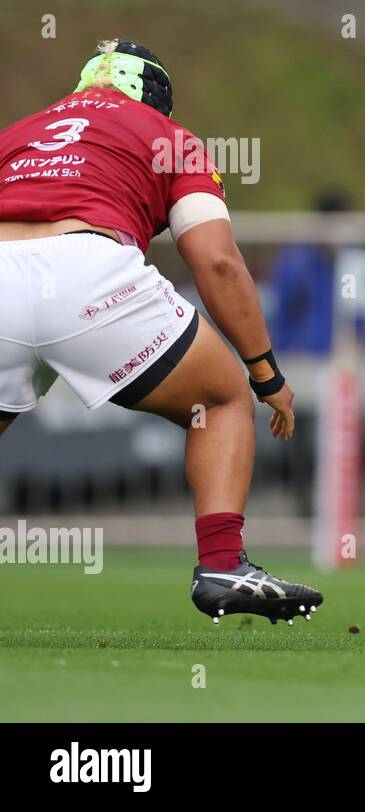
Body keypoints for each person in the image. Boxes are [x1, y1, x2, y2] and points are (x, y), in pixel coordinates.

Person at [0, 40, 321, 624]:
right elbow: (217, 262)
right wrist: (265, 373)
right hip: (86, 270)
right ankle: (223, 563)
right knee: (222, 399)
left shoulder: (16, 133)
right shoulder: (167, 136)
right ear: (157, 99)